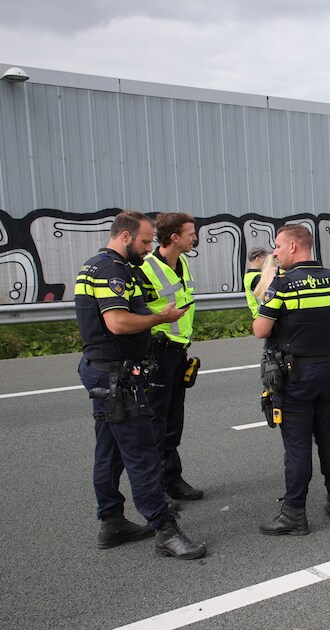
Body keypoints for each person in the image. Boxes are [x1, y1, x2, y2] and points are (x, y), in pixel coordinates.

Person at [75, 210, 206, 559]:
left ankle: (111, 521)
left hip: (103, 369)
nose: (149, 248)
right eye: (145, 241)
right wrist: (159, 318)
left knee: (109, 449)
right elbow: (117, 322)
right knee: (142, 451)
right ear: (125, 236)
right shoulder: (112, 270)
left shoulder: (93, 265)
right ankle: (165, 529)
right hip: (117, 373)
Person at [253, 225, 330, 535]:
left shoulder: (283, 285)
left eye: (278, 246)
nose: (275, 252)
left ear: (295, 247)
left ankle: (294, 514)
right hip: (329, 371)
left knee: (297, 447)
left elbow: (260, 329)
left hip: (295, 375)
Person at [138, 212, 203, 503]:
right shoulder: (146, 267)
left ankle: (172, 479)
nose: (195, 237)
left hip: (179, 351)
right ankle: (156, 490)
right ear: (174, 237)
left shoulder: (183, 261)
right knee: (155, 421)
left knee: (174, 419)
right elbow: (134, 310)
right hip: (157, 352)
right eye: (190, 233)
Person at [243, 246, 273, 317]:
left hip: (258, 315)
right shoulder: (258, 278)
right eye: (265, 258)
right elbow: (268, 298)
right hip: (263, 316)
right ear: (258, 259)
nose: (267, 261)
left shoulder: (248, 276)